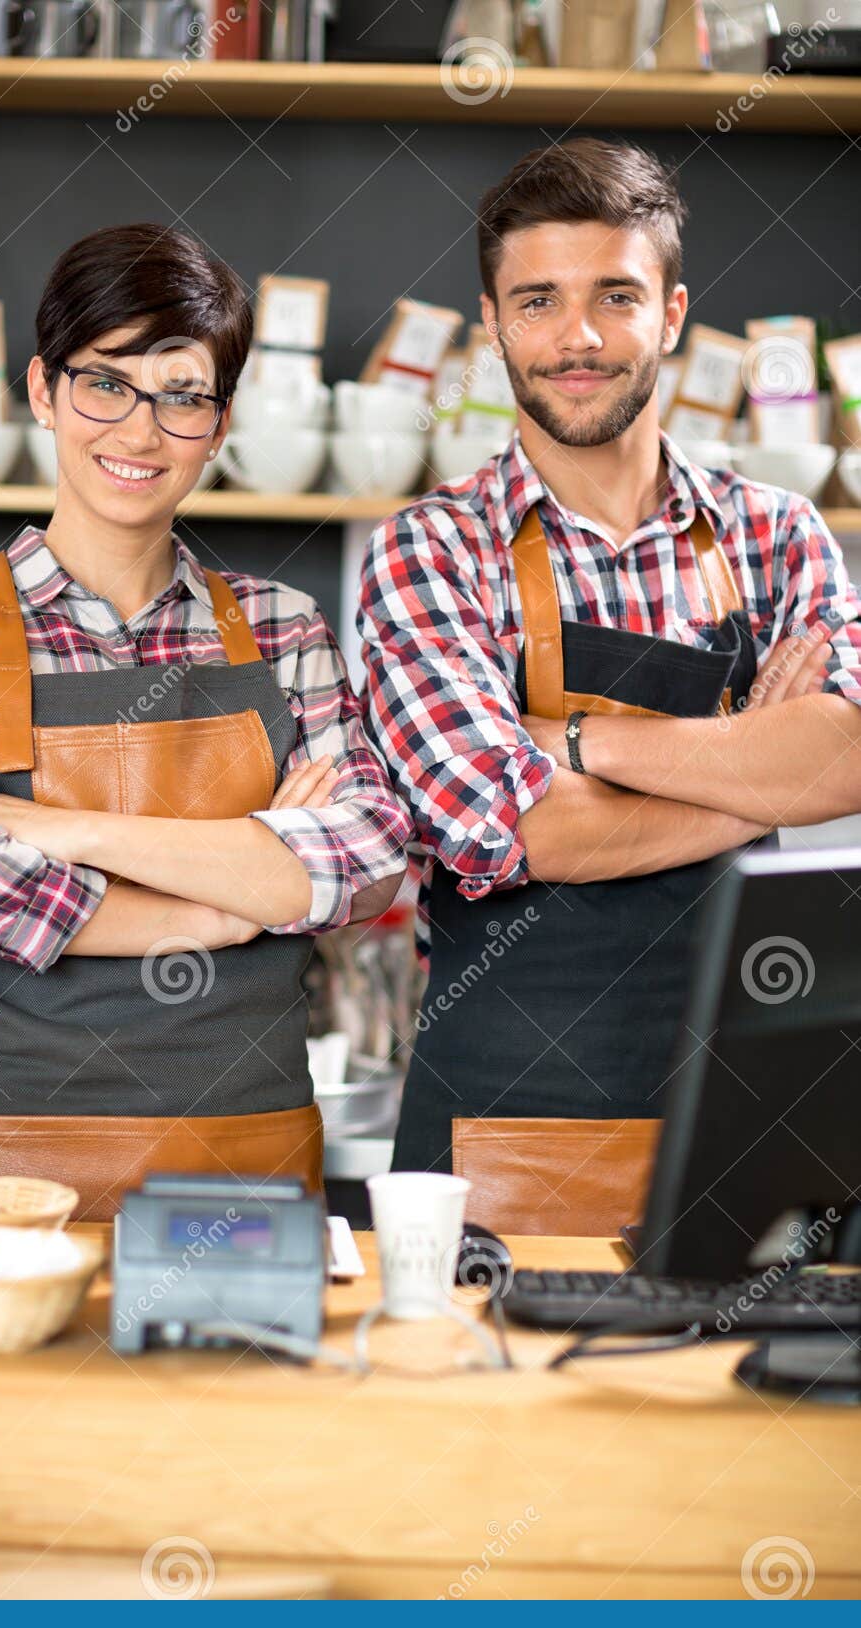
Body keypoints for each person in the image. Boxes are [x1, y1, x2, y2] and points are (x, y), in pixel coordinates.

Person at [0, 221, 410, 1214]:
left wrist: (71, 832)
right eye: (105, 383)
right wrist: (225, 899)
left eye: (182, 397)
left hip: (246, 1160)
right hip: (1, 1163)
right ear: (43, 390)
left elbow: (364, 860)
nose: (139, 430)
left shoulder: (283, 630)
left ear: (220, 421)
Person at [359, 137, 861, 1177]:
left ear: (670, 314)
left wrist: (577, 741)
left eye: (615, 296)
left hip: (746, 1115)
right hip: (501, 1130)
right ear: (490, 324)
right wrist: (759, 770)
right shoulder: (430, 549)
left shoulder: (776, 534)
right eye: (536, 301)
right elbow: (511, 823)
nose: (575, 337)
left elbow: (844, 763)